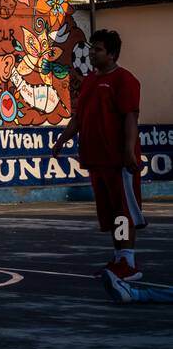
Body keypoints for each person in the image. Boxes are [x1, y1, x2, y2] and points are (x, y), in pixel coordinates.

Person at [52, 29, 145, 282]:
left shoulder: (124, 80)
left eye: (99, 49)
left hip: (118, 161)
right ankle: (118, 258)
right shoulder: (90, 82)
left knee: (124, 212)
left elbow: (130, 117)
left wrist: (128, 151)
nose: (92, 52)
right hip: (96, 160)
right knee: (111, 213)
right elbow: (79, 119)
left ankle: (129, 263)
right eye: (92, 48)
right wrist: (62, 139)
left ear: (112, 54)